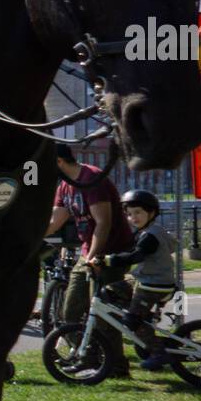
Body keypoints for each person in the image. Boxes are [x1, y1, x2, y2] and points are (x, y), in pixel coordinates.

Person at [45, 143, 135, 376]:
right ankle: (89, 355)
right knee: (70, 310)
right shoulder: (65, 186)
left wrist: (94, 258)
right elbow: (55, 221)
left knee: (104, 311)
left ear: (59, 162)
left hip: (112, 252)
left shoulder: (91, 178)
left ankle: (116, 365)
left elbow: (103, 223)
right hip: (89, 253)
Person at [99, 190, 179, 372]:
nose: (133, 217)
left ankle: (159, 353)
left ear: (151, 213)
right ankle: (144, 320)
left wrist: (110, 260)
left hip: (154, 285)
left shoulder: (150, 236)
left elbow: (136, 256)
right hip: (144, 281)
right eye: (129, 214)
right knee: (109, 291)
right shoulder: (145, 232)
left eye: (138, 213)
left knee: (131, 320)